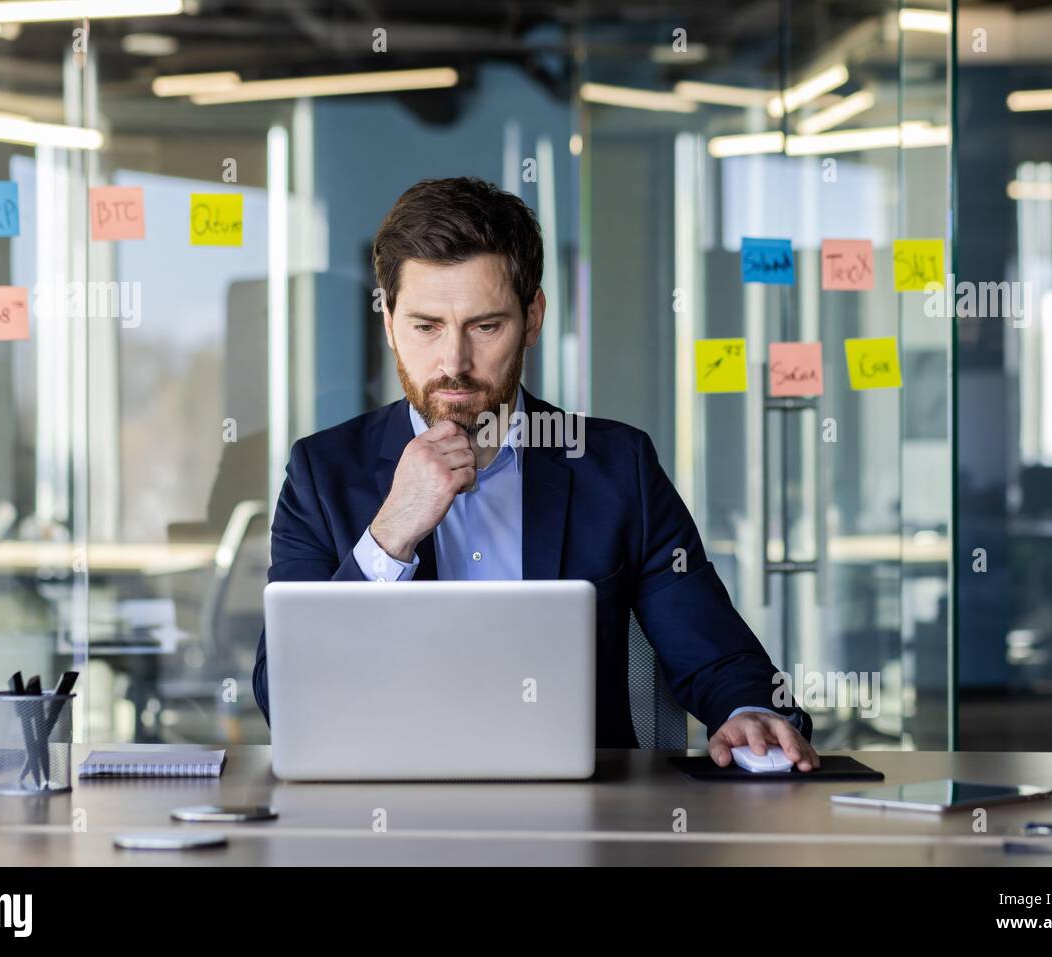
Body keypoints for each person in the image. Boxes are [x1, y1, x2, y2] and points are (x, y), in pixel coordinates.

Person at [253, 177, 818, 770]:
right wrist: (390, 535)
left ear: (534, 316)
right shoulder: (322, 474)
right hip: (385, 817)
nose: (454, 363)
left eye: (486, 326)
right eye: (426, 327)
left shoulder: (615, 467)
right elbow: (285, 698)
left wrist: (751, 713)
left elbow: (717, 658)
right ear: (388, 320)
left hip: (586, 821)